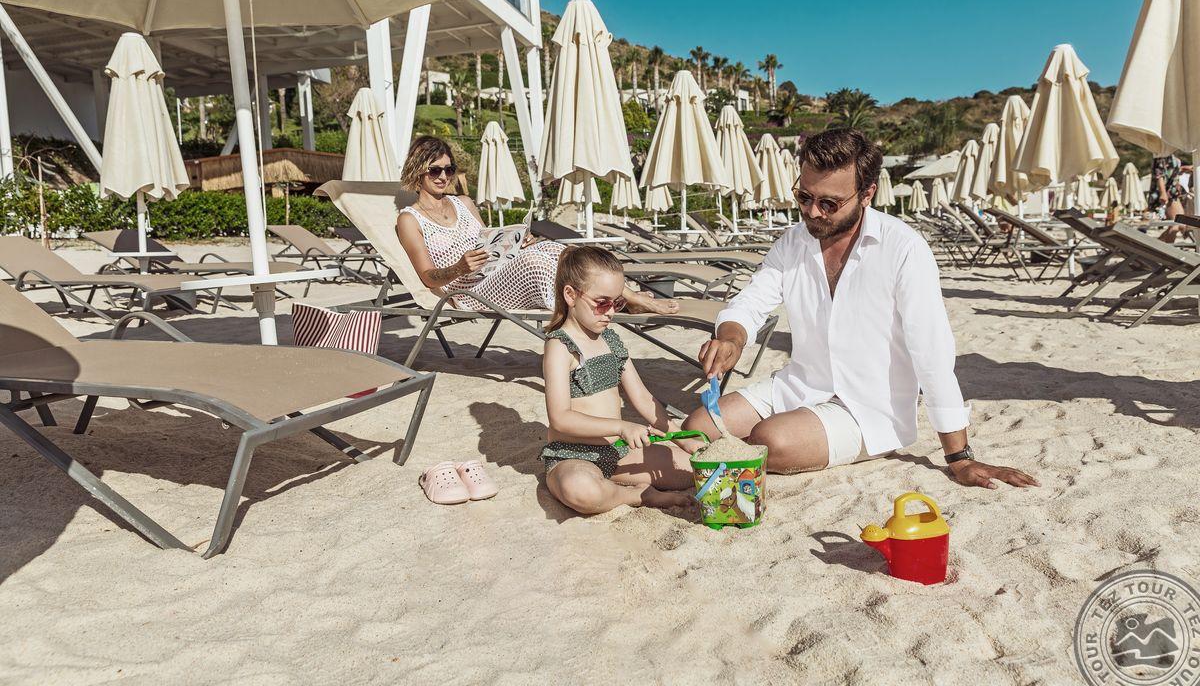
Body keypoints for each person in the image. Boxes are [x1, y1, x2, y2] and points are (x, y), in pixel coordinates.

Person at [681, 129, 1038, 490]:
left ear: (867, 194)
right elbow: (751, 301)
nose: (812, 211)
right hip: (800, 384)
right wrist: (732, 339)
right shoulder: (793, 242)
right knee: (697, 427)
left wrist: (959, 457)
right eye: (804, 196)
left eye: (829, 203)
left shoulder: (903, 248)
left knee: (770, 440)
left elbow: (931, 351)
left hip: (868, 409)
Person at [395, 135, 677, 314]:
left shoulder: (464, 203)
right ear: (417, 172)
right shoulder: (410, 219)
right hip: (468, 293)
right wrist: (460, 267)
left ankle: (621, 297)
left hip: (499, 275)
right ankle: (607, 304)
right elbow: (427, 277)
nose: (443, 176)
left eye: (449, 169)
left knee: (559, 250)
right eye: (435, 170)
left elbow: (491, 243)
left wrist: (515, 243)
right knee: (535, 263)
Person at [540, 246, 694, 513]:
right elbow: (560, 418)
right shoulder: (560, 346)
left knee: (691, 469)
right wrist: (621, 426)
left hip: (618, 451)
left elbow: (643, 399)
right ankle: (636, 495)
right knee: (581, 490)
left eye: (617, 303)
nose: (610, 312)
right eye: (602, 303)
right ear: (571, 295)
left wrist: (683, 438)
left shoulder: (610, 340)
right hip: (572, 455)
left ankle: (616, 486)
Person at [1149, 154, 1191, 243]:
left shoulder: (1171, 155)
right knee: (1176, 224)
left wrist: (1182, 169)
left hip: (1173, 193)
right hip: (1166, 193)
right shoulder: (1161, 154)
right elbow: (1159, 175)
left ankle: (1155, 245)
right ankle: (1165, 249)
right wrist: (1163, 193)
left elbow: (1169, 171)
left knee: (1181, 224)